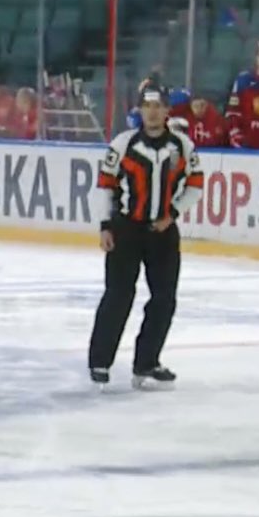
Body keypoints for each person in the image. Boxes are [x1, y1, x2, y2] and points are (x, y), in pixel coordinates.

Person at [88, 86, 203, 389]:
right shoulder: (123, 144)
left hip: (163, 233)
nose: (152, 112)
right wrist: (105, 225)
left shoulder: (183, 146)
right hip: (126, 229)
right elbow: (105, 186)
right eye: (147, 105)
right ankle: (100, 361)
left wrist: (173, 214)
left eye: (158, 106)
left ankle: (147, 362)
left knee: (164, 299)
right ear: (139, 110)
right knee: (118, 296)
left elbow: (195, 185)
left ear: (168, 111)